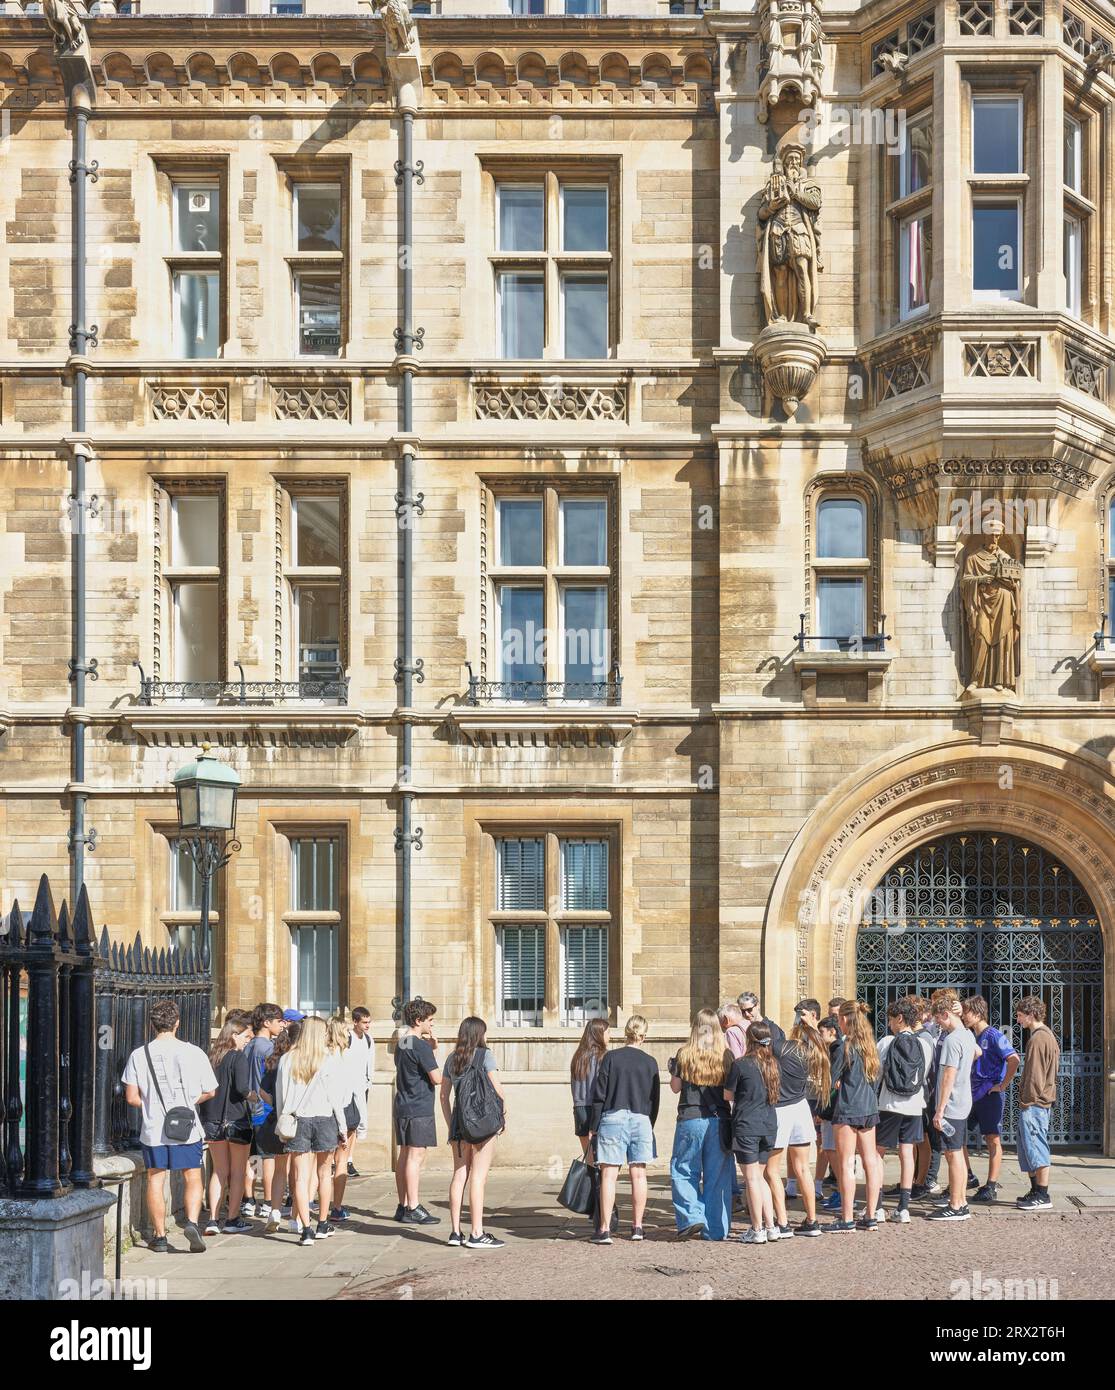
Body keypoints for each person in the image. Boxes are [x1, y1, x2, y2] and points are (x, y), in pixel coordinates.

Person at [122, 998, 217, 1254]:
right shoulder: (193, 1052)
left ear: (153, 1025)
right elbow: (210, 1090)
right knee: (193, 1176)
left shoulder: (139, 1055)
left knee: (155, 1178)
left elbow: (131, 1097)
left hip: (154, 1129)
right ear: (177, 1023)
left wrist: (153, 1105)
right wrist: (187, 1102)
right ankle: (193, 1223)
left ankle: (160, 1236)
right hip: (187, 1127)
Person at [274, 1014, 349, 1247]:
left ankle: (305, 1228)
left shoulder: (287, 1059)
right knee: (324, 1173)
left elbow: (281, 1096)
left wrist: (282, 1121)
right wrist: (343, 1127)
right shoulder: (328, 1059)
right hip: (324, 1118)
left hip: (298, 1120)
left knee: (299, 1176)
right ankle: (322, 1223)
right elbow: (336, 1098)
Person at [590, 1015, 660, 1245]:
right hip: (641, 1118)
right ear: (644, 1036)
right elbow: (654, 1100)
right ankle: (637, 1227)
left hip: (613, 1116)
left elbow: (599, 1095)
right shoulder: (650, 1063)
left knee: (609, 1174)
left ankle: (605, 1228)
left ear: (626, 1033)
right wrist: (649, 1123)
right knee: (638, 1174)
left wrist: (594, 1126)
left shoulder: (611, 1058)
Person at [440, 1015, 507, 1250]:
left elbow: (443, 1096)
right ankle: (477, 1233)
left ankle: (455, 1232)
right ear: (479, 1034)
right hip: (481, 1125)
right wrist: (501, 1115)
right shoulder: (485, 1055)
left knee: (459, 1175)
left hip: (459, 1123)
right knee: (478, 1177)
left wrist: (451, 1122)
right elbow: (498, 1090)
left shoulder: (452, 1059)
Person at [668, 1009, 733, 1241]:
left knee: (684, 1171)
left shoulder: (684, 1054)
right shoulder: (725, 1055)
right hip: (719, 1119)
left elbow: (675, 1087)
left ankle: (692, 1216)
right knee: (718, 1177)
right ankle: (716, 1230)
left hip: (690, 1117)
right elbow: (729, 1095)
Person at [875, 999, 933, 1224]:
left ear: (900, 1018)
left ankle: (877, 1206)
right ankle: (903, 1207)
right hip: (914, 1106)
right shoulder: (925, 1046)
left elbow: (877, 1074)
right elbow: (924, 1076)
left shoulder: (887, 1042)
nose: (889, 1023)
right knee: (907, 1153)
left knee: (877, 1153)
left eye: (891, 1019)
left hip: (889, 1105)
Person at [199, 1009, 254, 1236]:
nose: (248, 1042)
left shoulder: (211, 1057)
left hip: (211, 1120)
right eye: (246, 1037)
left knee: (219, 1170)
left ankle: (212, 1219)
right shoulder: (237, 1057)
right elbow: (242, 1089)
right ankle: (232, 1219)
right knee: (238, 1171)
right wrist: (254, 1095)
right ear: (234, 1036)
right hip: (235, 1120)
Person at [828, 1000, 882, 1233]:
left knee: (847, 1162)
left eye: (840, 1017)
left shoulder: (845, 1047)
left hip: (848, 1107)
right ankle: (871, 1214)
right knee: (870, 1161)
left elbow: (829, 1080)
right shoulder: (870, 1046)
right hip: (869, 1106)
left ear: (847, 1019)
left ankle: (847, 1217)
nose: (838, 1022)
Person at [773, 1015, 830, 1235]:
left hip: (780, 1109)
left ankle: (783, 1222)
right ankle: (812, 1220)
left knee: (771, 1170)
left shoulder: (781, 1047)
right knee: (803, 1168)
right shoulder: (813, 1053)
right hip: (800, 1108)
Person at [961, 994, 1019, 1204]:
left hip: (989, 1095)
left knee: (992, 1139)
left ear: (977, 1013)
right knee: (959, 1137)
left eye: (966, 1014)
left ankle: (991, 1185)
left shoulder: (994, 1035)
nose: (964, 1018)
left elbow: (1013, 1059)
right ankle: (967, 1176)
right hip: (971, 1094)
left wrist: (1002, 1084)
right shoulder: (969, 1036)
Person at [927, 991, 979, 1222]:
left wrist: (940, 1109)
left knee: (953, 1153)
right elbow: (978, 1053)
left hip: (952, 1105)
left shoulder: (951, 1039)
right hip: (962, 1102)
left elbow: (948, 1075)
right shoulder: (967, 1035)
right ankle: (961, 1201)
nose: (937, 1022)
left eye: (938, 1018)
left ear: (946, 1014)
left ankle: (957, 1204)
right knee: (954, 1151)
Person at [725, 1022, 779, 1244]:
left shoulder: (741, 1064)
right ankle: (771, 1225)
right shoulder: (773, 1064)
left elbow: (728, 1095)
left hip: (747, 1125)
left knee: (751, 1179)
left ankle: (757, 1229)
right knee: (761, 1177)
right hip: (768, 1125)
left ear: (749, 1039)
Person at [393, 998, 442, 1225]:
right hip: (419, 1105)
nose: (432, 1025)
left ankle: (403, 1205)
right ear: (418, 1020)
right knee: (416, 1156)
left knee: (404, 1155)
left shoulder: (402, 1043)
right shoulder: (420, 1046)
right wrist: (432, 1052)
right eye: (429, 1020)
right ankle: (413, 1206)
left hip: (402, 1103)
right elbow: (436, 1078)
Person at [1014, 995, 1060, 1211]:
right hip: (1036, 1102)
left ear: (1031, 1015)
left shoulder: (1039, 1039)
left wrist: (1026, 1100)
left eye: (1021, 1015)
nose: (1018, 1020)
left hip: (1035, 1103)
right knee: (1029, 1148)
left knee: (1037, 1147)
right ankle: (1036, 1191)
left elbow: (1035, 1076)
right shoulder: (1045, 1036)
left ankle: (1042, 1193)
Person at [244, 1002, 287, 1220]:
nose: (282, 1024)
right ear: (267, 1022)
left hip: (249, 1107)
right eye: (278, 1020)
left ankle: (249, 1199)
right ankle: (269, 1202)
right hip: (265, 1108)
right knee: (269, 1158)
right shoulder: (268, 1048)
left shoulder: (249, 1045)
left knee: (253, 1157)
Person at [257, 1022, 299, 1233]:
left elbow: (262, 1090)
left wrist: (276, 1103)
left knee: (280, 1169)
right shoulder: (300, 1062)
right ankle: (294, 1218)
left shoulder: (277, 1061)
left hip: (278, 1121)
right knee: (298, 1172)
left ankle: (274, 1210)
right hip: (298, 1122)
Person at [325, 1015, 357, 1222]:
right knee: (341, 1161)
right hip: (345, 1109)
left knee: (323, 1164)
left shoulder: (322, 1056)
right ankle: (336, 1207)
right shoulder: (347, 1057)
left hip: (325, 1112)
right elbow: (352, 1090)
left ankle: (311, 1203)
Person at [343, 1006, 374, 1180]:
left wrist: (369, 1082)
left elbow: (371, 1061)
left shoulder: (369, 1039)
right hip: (347, 1088)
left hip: (362, 1088)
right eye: (364, 1022)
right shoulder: (348, 1038)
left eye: (369, 1022)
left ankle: (349, 1159)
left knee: (355, 1125)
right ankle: (338, 1159)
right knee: (346, 1124)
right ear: (355, 1022)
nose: (367, 1025)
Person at [817, 1012, 842, 1211]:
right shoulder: (836, 1049)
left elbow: (832, 1084)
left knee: (832, 1151)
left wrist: (823, 1110)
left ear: (832, 1032)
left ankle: (842, 1193)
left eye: (822, 1031)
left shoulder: (837, 1049)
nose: (820, 1035)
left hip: (834, 1110)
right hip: (835, 1109)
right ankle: (841, 1192)